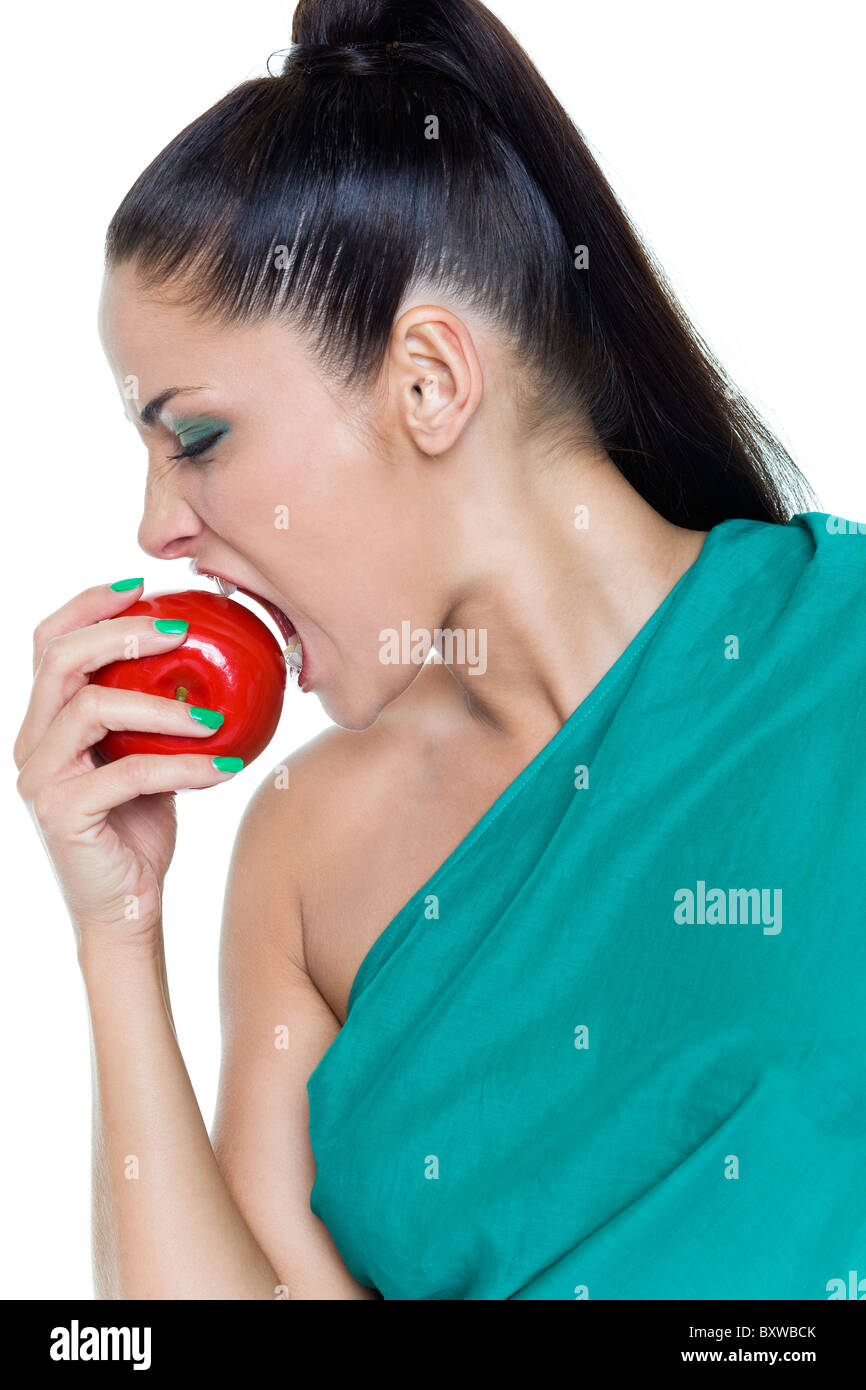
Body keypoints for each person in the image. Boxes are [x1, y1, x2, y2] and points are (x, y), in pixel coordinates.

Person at [14, 0, 865, 1300]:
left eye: (197, 438)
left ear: (425, 380)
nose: (156, 525)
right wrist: (114, 932)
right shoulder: (305, 849)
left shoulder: (839, 647)